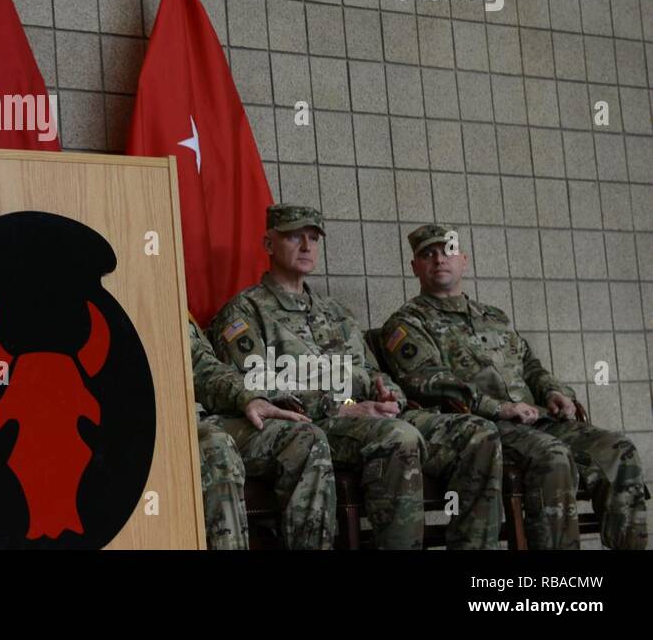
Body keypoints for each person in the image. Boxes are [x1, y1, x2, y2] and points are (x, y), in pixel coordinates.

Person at [209, 205, 504, 549]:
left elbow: (374, 370)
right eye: (293, 236)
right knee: (398, 437)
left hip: (371, 414)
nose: (306, 246)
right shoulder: (245, 311)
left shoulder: (335, 312)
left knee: (479, 435)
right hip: (314, 423)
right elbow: (258, 388)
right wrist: (343, 408)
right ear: (269, 243)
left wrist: (388, 395)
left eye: (313, 238)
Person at [381, 224, 648, 550]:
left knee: (619, 450)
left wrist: (555, 392)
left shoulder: (494, 316)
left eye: (447, 251)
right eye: (428, 254)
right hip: (485, 428)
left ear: (463, 260)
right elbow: (428, 381)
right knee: (553, 456)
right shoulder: (407, 322)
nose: (439, 259)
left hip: (538, 419)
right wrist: (499, 408)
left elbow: (531, 365)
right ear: (415, 267)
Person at [191, 319, 334, 549]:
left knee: (306, 439)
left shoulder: (164, 306)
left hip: (195, 417)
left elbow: (202, 367)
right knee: (216, 447)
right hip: (150, 426)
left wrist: (248, 397)